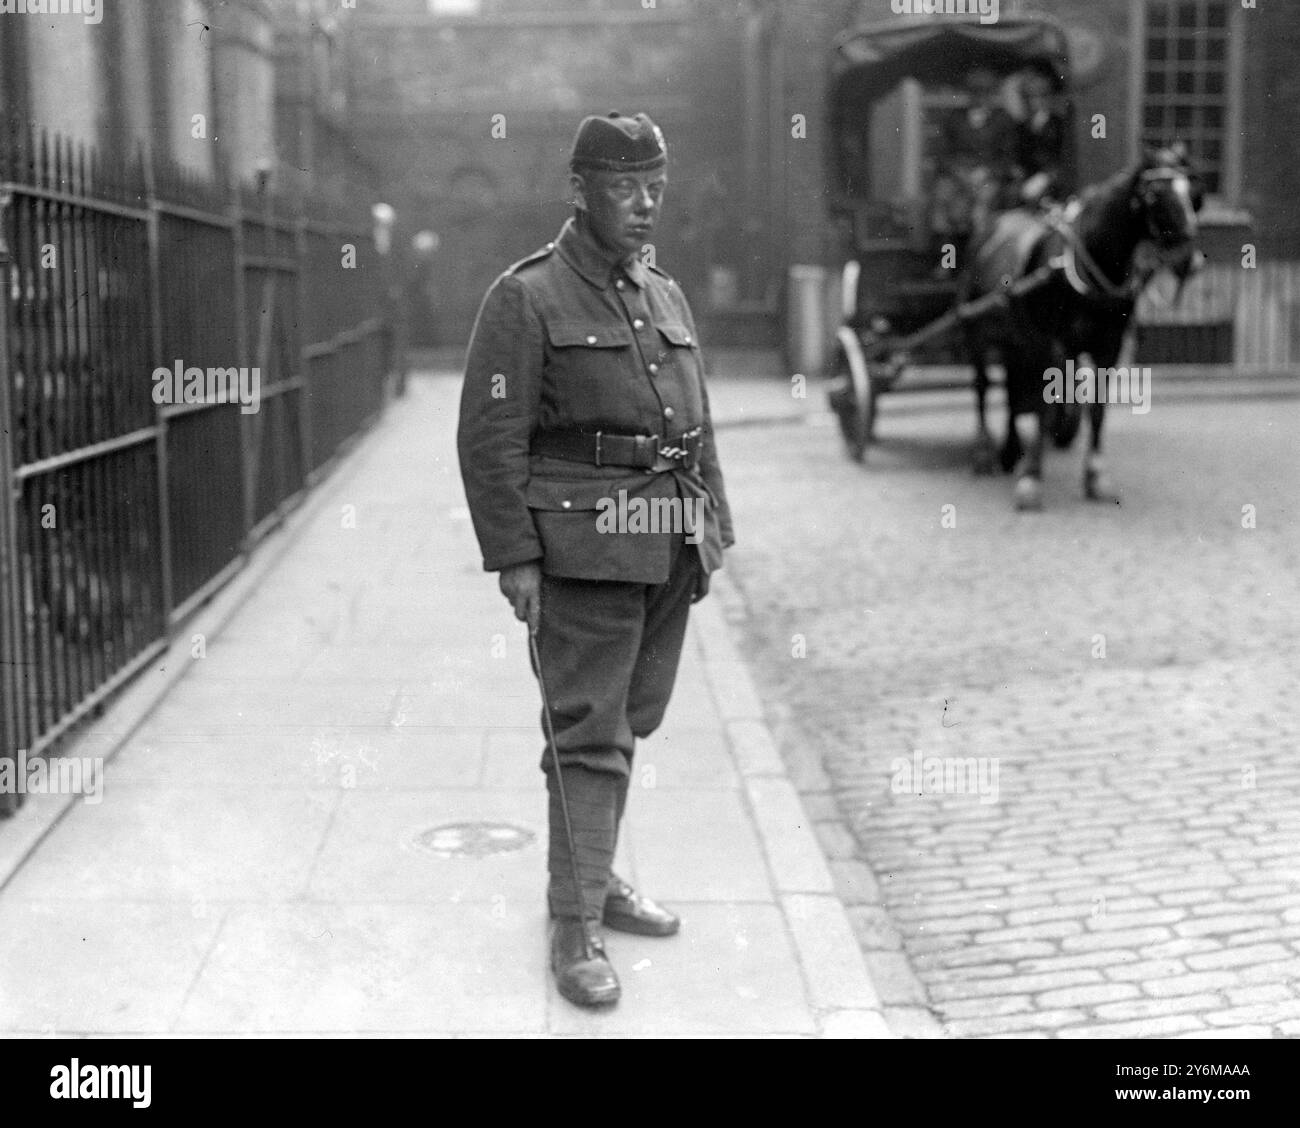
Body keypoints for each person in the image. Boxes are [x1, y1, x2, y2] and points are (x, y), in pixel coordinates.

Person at [456, 111, 734, 1008]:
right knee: (587, 733)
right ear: (580, 191)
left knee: (626, 723)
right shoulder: (526, 297)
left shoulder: (665, 294)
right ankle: (573, 922)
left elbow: (695, 423)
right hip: (580, 549)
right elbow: (489, 436)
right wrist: (516, 559)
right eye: (626, 187)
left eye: (656, 186)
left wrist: (714, 527)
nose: (647, 204)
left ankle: (595, 874)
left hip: (665, 548)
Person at [930, 67, 1018, 256]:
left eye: (986, 92)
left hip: (989, 177)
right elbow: (942, 154)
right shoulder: (955, 118)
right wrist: (959, 172)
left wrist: (987, 172)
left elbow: (1008, 157)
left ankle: (974, 263)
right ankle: (947, 263)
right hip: (957, 175)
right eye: (975, 92)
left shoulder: (1003, 119)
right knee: (943, 204)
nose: (981, 97)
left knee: (981, 210)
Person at [1016, 68, 1069, 207]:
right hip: (1027, 179)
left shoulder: (1059, 125)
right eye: (1032, 97)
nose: (1037, 102)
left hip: (1051, 180)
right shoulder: (1022, 126)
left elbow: (1063, 158)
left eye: (1042, 96)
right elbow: (1018, 156)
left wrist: (1046, 177)